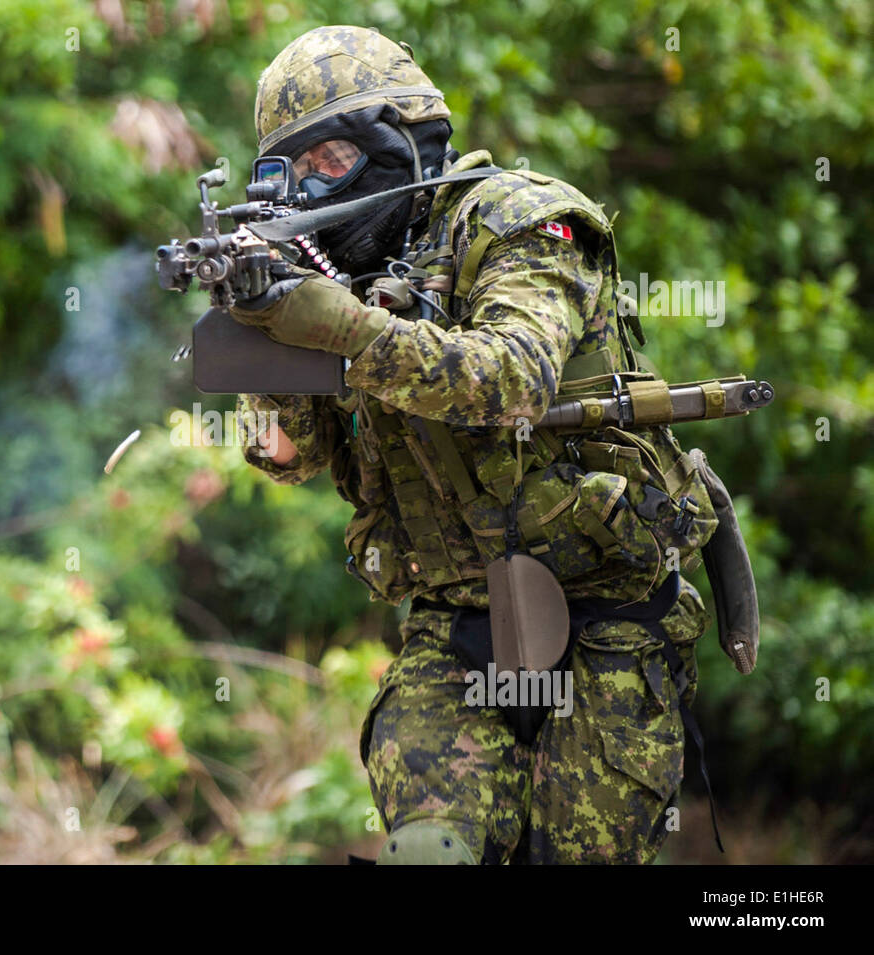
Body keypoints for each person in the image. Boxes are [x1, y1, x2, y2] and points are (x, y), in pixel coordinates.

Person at [231, 25, 732, 864]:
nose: (309, 189)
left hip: (606, 616)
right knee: (431, 850)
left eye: (328, 162)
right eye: (288, 171)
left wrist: (347, 330)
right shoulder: (335, 268)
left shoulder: (521, 221)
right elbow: (290, 454)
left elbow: (513, 379)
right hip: (457, 620)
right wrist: (263, 335)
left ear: (401, 144)